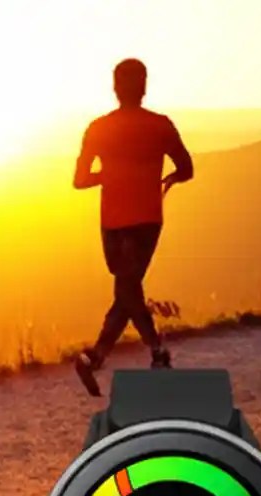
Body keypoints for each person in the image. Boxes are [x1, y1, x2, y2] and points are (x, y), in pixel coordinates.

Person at [72, 58, 194, 396]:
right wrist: (166, 179)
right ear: (144, 87)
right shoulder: (161, 126)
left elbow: (79, 181)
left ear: (114, 87)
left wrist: (108, 175)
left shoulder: (98, 128)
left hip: (112, 221)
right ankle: (149, 352)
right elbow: (187, 168)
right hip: (147, 218)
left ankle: (102, 356)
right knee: (127, 288)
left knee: (125, 287)